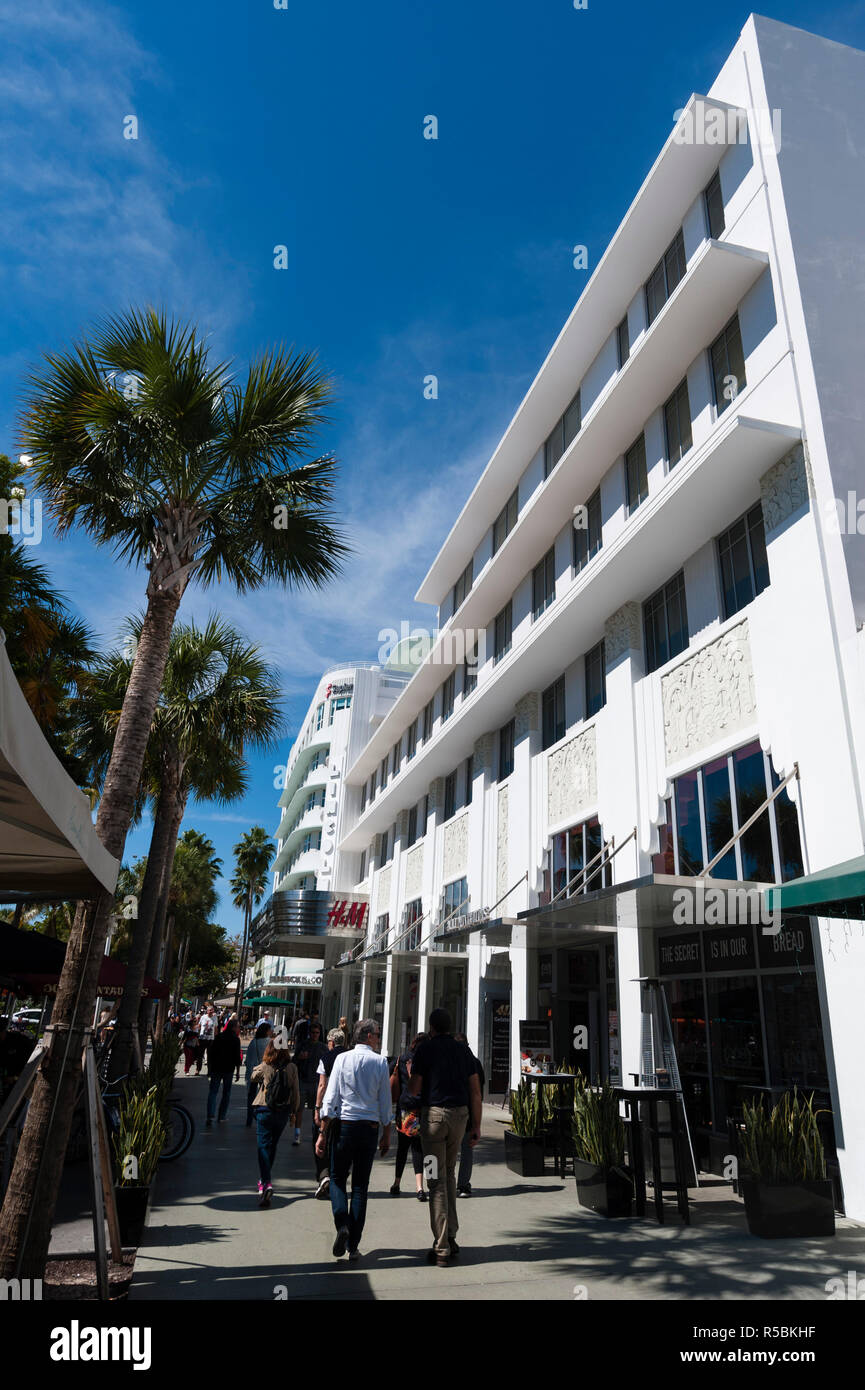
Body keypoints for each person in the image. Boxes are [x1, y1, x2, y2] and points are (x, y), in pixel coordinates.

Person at [408, 1008, 482, 1267]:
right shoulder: (464, 1051)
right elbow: (475, 1092)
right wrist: (477, 1125)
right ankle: (451, 1234)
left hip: (433, 1121)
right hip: (460, 1117)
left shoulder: (425, 1050)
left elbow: (414, 1088)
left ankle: (441, 1247)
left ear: (431, 1027)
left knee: (434, 1180)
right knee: (449, 1173)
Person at [316, 1019, 391, 1261]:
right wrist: (387, 1131)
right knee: (360, 1186)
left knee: (337, 1178)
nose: (378, 1038)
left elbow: (331, 1096)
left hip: (345, 1125)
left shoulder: (342, 1059)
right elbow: (385, 1100)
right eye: (377, 1034)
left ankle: (342, 1224)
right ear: (367, 1036)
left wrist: (322, 1132)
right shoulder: (380, 1062)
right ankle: (353, 1245)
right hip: (368, 1128)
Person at [250, 1038, 300, 1207]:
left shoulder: (266, 1066)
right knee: (272, 1146)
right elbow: (296, 1093)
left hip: (265, 1109)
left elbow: (252, 1077)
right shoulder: (292, 1068)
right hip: (283, 1112)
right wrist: (293, 1112)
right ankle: (264, 1181)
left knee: (263, 1146)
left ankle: (266, 1182)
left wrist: (263, 1063)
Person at [389, 1032, 427, 1201]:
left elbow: (389, 1074)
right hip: (423, 1109)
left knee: (403, 1148)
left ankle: (397, 1183)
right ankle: (421, 1187)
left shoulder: (401, 1059)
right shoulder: (427, 1061)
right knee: (421, 1149)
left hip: (404, 1110)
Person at [312, 1027, 346, 1200]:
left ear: (331, 1042)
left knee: (320, 1140)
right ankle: (335, 1177)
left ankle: (324, 1174)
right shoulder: (349, 1056)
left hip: (328, 1108)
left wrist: (317, 1109)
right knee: (338, 1144)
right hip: (346, 1110)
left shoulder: (325, 1058)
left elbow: (322, 1085)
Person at [454, 1033, 485, 1197]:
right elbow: (479, 1093)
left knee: (449, 1150)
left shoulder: (450, 1061)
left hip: (453, 1111)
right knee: (467, 1149)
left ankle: (449, 1183)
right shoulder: (476, 1063)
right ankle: (463, 1185)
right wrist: (477, 1123)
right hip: (469, 1112)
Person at [293, 1020, 327, 1148]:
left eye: (317, 1033)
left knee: (315, 1110)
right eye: (312, 1032)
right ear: (309, 1033)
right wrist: (299, 1058)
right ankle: (297, 1134)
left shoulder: (323, 1048)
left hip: (316, 1083)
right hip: (303, 1080)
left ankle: (315, 1134)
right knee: (299, 1109)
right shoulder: (302, 1045)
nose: (314, 1035)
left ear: (320, 1034)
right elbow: (293, 1061)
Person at [205, 1017, 242, 1127]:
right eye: (238, 1027)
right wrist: (238, 1071)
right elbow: (237, 1057)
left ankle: (210, 1115)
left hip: (216, 1068)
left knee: (213, 1092)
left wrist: (210, 1069)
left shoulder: (219, 1037)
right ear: (234, 1027)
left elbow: (211, 1053)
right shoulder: (235, 1039)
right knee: (226, 1093)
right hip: (228, 1069)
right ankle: (222, 1116)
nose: (239, 1028)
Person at [244, 1021, 272, 1126]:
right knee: (264, 1096)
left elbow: (248, 1059)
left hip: (253, 1072)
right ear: (266, 1031)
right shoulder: (270, 1042)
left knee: (251, 1096)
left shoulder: (253, 1042)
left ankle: (249, 1118)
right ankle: (261, 1116)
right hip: (265, 1073)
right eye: (270, 1030)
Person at [198, 1003, 218, 1071]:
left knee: (210, 1056)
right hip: (202, 1038)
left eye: (212, 1010)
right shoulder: (203, 1017)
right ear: (207, 1011)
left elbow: (215, 1029)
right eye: (210, 1010)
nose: (211, 1012)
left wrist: (215, 1038)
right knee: (200, 1055)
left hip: (210, 1040)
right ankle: (198, 1069)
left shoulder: (215, 1017)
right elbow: (199, 1026)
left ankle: (209, 1071)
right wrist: (197, 1037)